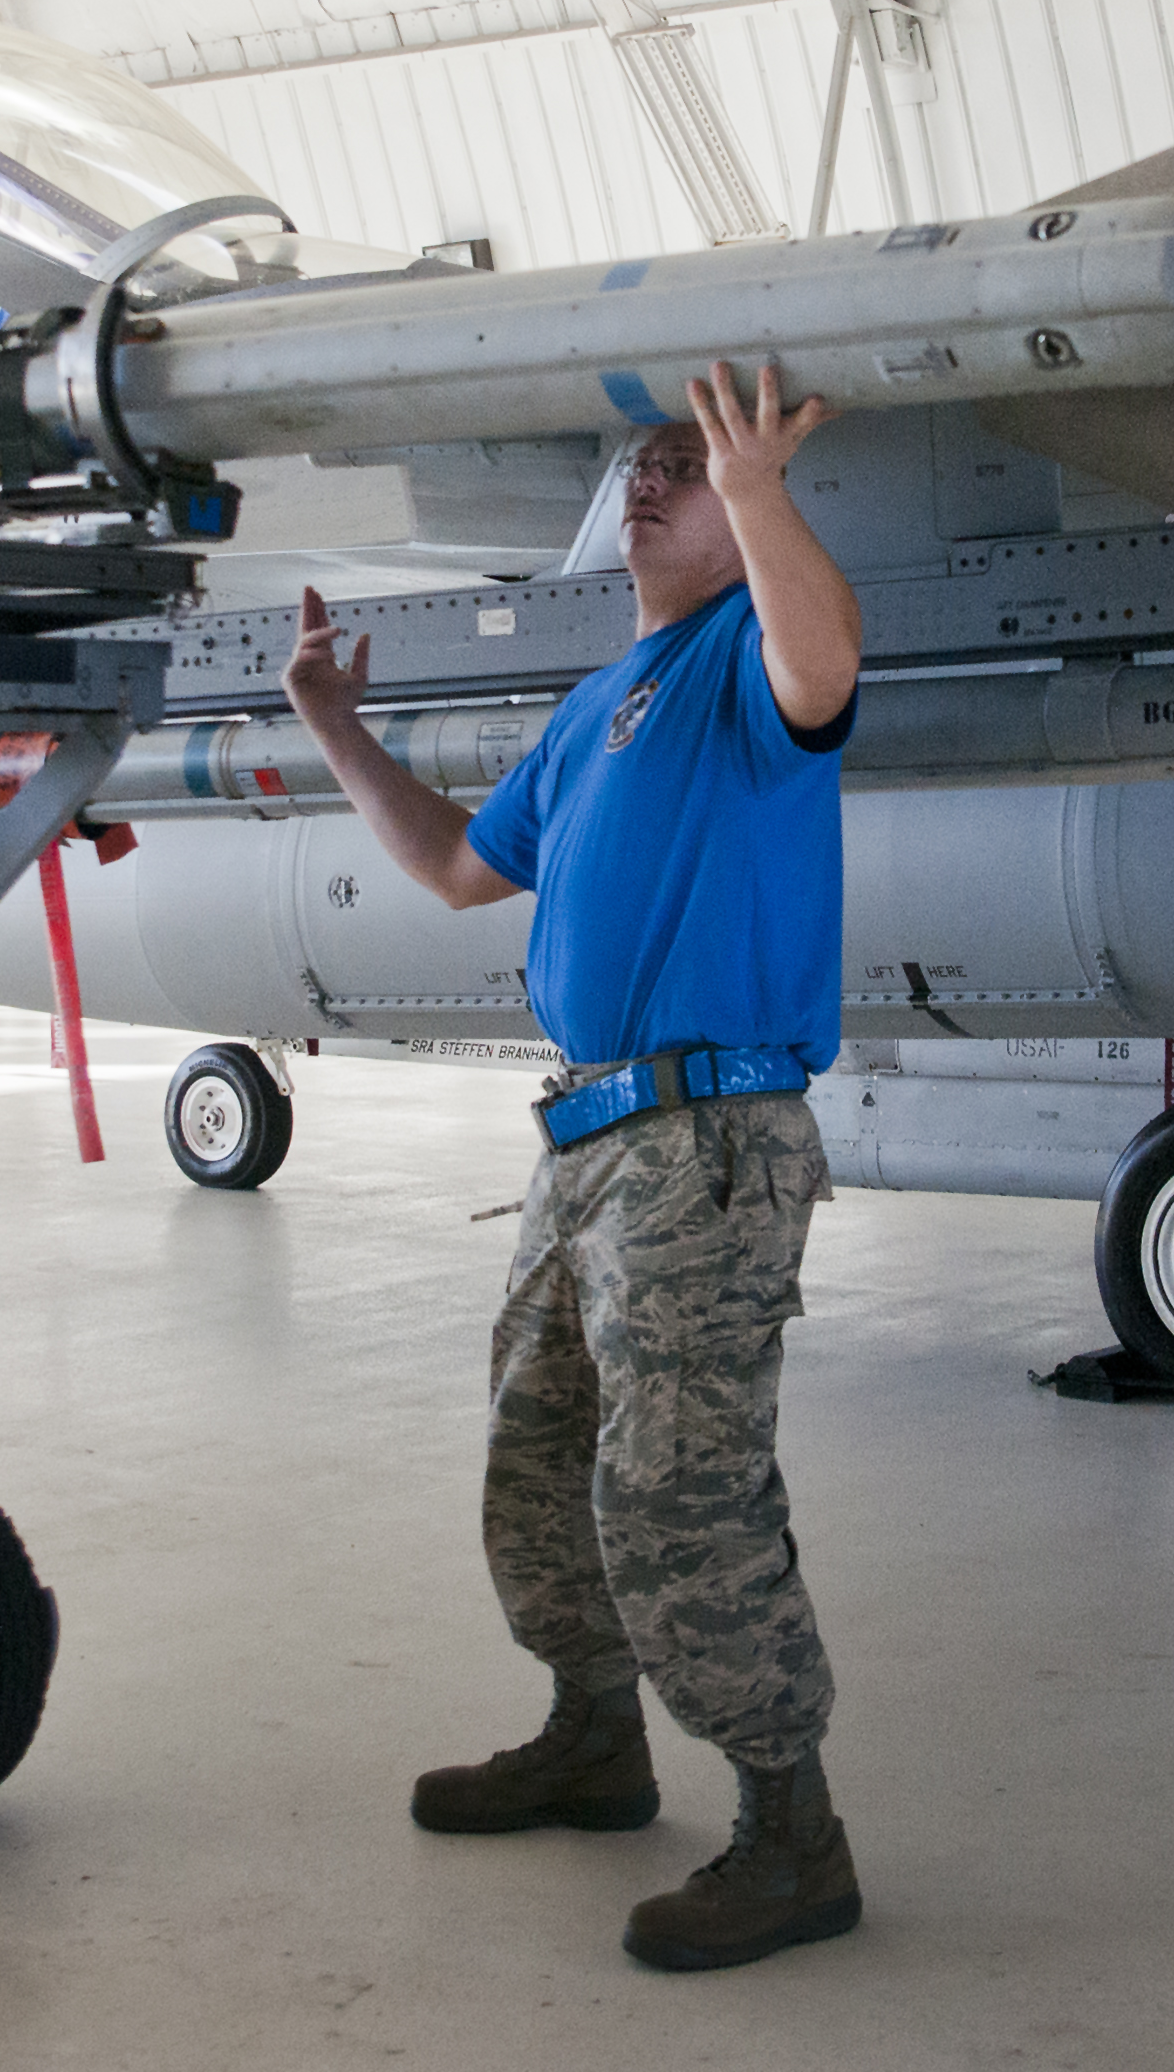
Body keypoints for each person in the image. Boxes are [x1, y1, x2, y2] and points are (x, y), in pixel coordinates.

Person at [283, 362, 863, 1974]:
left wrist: (763, 496)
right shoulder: (597, 708)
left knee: (683, 1488)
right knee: (542, 1456)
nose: (652, 483)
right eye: (646, 467)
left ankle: (792, 1828)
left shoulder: (754, 652)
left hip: (708, 1139)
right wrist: (335, 725)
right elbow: (461, 867)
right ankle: (595, 1736)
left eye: (685, 465)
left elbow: (828, 667)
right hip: (588, 1142)